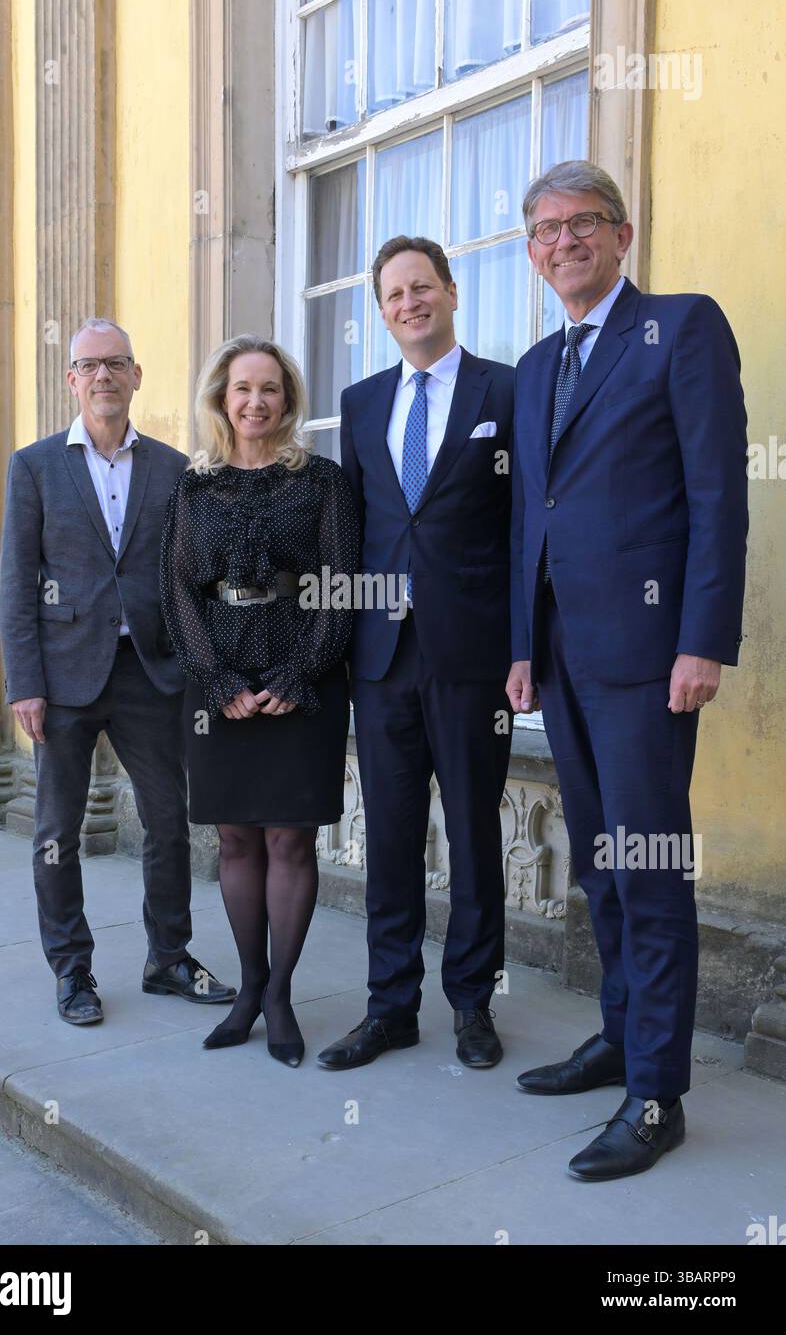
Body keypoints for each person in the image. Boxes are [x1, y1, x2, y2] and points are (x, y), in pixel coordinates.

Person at [507, 161, 748, 1180]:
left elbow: (715, 494)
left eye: (582, 224)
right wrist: (520, 644)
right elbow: (535, 512)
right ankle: (618, 1036)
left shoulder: (680, 329)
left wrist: (702, 639)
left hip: (649, 660)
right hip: (561, 658)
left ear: (621, 234)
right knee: (602, 862)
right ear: (529, 252)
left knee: (646, 867)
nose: (563, 241)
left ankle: (655, 1093)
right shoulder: (532, 366)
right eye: (545, 229)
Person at [0, 318, 235, 1025]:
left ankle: (168, 956)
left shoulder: (171, 468)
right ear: (71, 380)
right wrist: (25, 683)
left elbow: (189, 575)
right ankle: (73, 971)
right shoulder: (35, 465)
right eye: (89, 365)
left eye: (117, 364)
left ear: (137, 376)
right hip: (63, 678)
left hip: (149, 674)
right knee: (56, 832)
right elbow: (17, 581)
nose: (103, 376)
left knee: (168, 820)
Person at [318, 236, 515, 1072]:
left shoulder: (505, 389)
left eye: (422, 287)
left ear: (451, 292)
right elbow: (354, 535)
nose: (409, 303)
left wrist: (526, 649)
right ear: (382, 310)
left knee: (475, 834)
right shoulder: (361, 404)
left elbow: (523, 530)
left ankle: (472, 1003)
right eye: (394, 294)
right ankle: (390, 1006)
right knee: (389, 839)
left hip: (474, 658)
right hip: (383, 659)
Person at [160, 334, 358, 1068]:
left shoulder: (323, 481)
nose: (256, 401)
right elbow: (177, 590)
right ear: (222, 398)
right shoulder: (193, 486)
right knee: (236, 839)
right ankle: (246, 989)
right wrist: (217, 681)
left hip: (301, 687)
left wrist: (296, 674)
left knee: (289, 840)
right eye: (242, 388)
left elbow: (341, 586)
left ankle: (280, 997)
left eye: (269, 388)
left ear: (287, 399)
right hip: (218, 689)